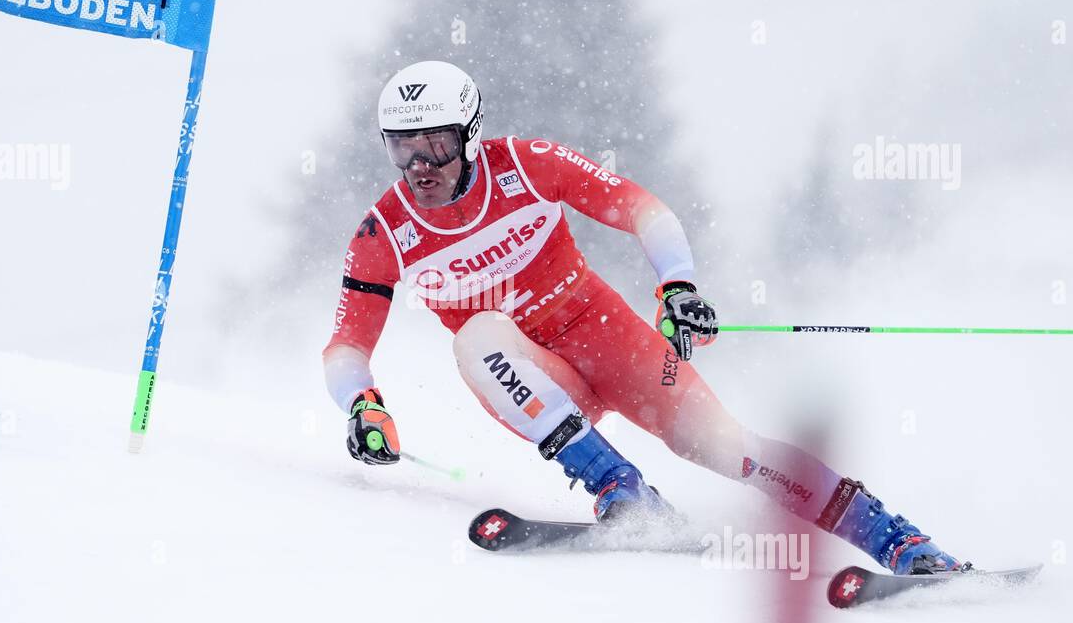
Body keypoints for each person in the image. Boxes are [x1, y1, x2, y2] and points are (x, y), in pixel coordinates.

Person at [322, 60, 963, 575]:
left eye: (434, 144)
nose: (419, 166)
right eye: (401, 148)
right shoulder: (384, 232)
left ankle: (899, 543)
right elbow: (346, 344)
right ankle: (622, 493)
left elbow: (642, 209)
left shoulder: (524, 164)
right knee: (478, 335)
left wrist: (677, 286)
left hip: (607, 338)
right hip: (536, 380)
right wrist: (363, 403)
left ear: (468, 133)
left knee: (728, 449)